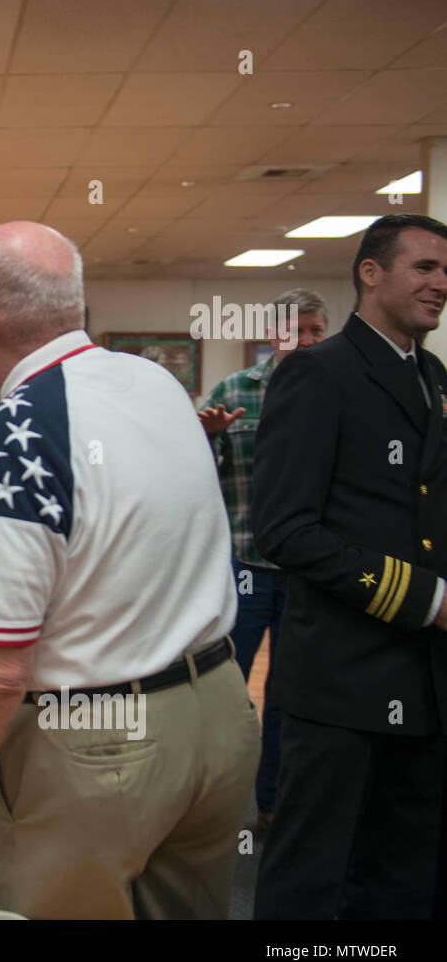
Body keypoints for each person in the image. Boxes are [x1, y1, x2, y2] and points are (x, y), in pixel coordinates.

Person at [0, 221, 259, 919]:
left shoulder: (11, 432)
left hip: (101, 746)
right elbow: (118, 518)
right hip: (218, 715)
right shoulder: (154, 386)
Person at [252, 214, 447, 919]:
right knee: (314, 876)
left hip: (425, 677)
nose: (441, 284)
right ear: (371, 273)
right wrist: (425, 598)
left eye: (446, 272)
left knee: (403, 873)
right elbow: (286, 529)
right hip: (344, 674)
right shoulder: (318, 371)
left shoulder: (433, 376)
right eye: (424, 267)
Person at [197, 289, 329, 828]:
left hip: (312, 572)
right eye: (299, 331)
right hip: (246, 564)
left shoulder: (341, 391)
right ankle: (212, 803)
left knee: (291, 697)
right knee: (226, 692)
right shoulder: (235, 392)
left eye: (319, 330)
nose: (310, 341)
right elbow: (193, 479)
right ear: (275, 336)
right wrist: (206, 438)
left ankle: (273, 803)